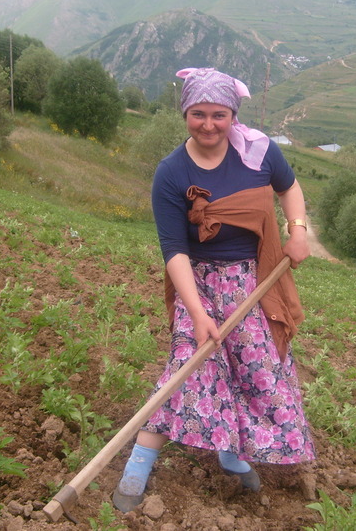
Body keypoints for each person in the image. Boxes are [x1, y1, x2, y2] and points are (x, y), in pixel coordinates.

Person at [113, 67, 315, 513]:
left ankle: (231, 454)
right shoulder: (171, 172)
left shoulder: (259, 153)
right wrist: (198, 312)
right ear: (185, 112)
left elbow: (290, 187)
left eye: (218, 115)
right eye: (198, 114)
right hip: (198, 284)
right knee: (187, 370)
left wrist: (297, 229)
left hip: (254, 283)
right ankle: (137, 467)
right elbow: (174, 251)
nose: (208, 124)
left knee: (259, 372)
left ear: (232, 114)